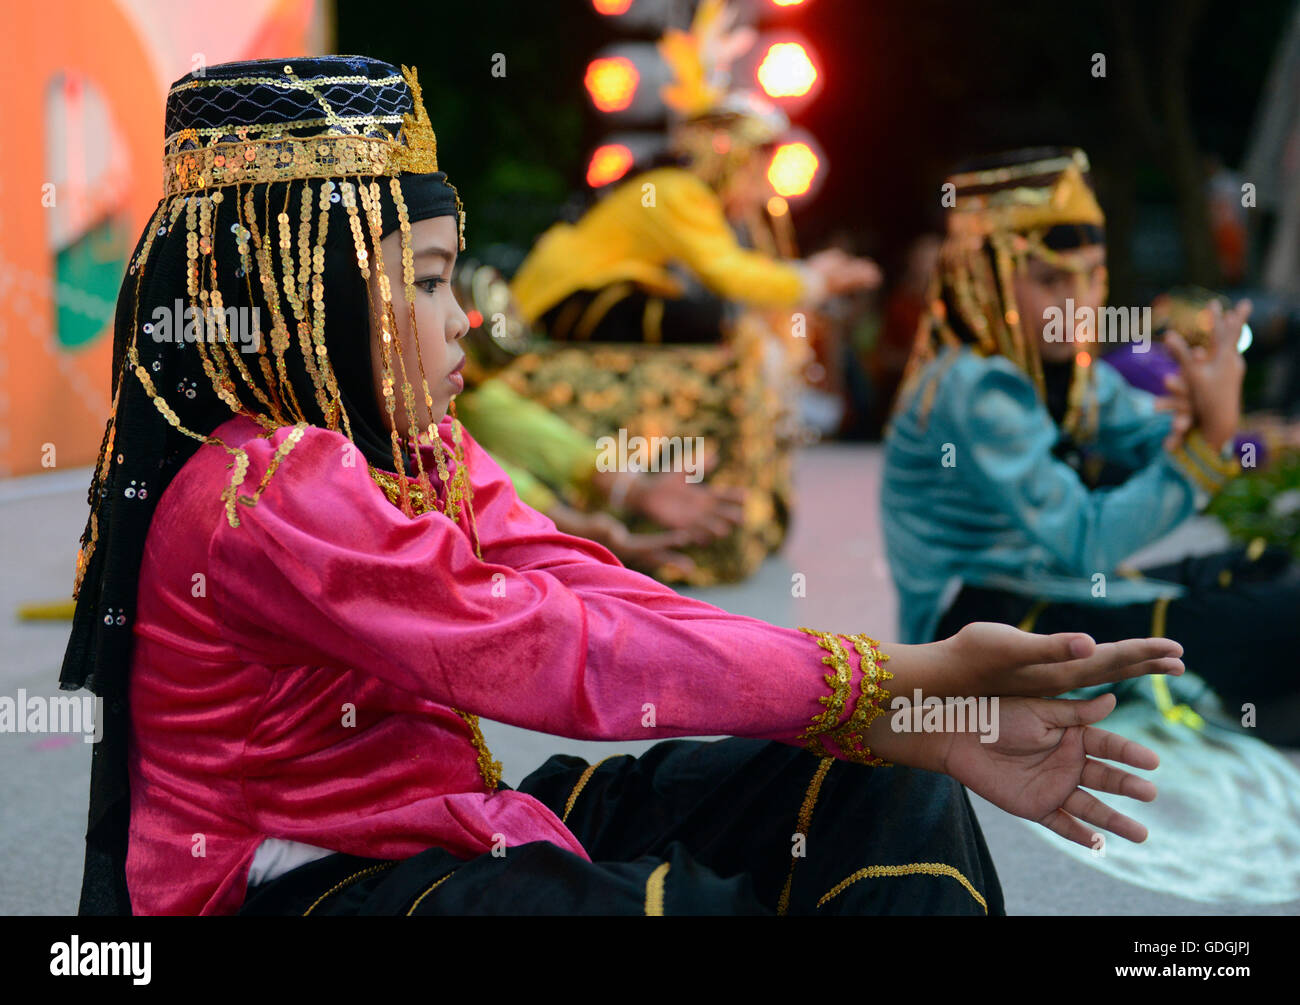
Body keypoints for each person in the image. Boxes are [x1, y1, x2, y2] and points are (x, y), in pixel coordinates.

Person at [61, 62, 1184, 917]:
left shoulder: (420, 447)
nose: (468, 324)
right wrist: (885, 676)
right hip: (307, 881)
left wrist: (887, 710)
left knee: (874, 787)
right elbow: (556, 650)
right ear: (307, 293)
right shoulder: (262, 491)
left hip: (437, 817)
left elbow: (586, 591)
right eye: (431, 282)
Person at [882, 147, 1300, 745]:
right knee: (1284, 613)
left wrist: (1215, 422)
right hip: (978, 634)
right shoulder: (973, 386)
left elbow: (1147, 430)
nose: (1077, 300)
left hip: (1052, 595)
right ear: (982, 275)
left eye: (1090, 274)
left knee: (1265, 565)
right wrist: (1208, 444)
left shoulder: (1058, 368)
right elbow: (1088, 543)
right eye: (1051, 278)